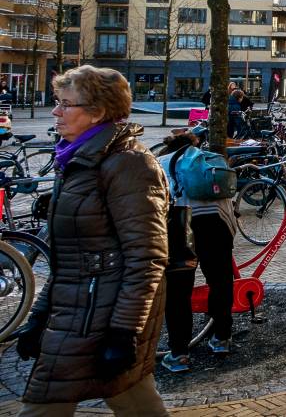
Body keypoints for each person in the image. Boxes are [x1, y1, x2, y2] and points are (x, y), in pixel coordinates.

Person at [10, 65, 169, 416]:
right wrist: (39, 316)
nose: (55, 111)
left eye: (66, 104)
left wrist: (124, 331)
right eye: (57, 102)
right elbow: (69, 257)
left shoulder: (127, 165)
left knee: (47, 404)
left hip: (103, 316)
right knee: (133, 399)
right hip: (80, 310)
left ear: (97, 112)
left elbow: (148, 257)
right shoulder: (77, 160)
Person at [157, 132, 237, 373]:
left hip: (182, 225)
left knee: (179, 292)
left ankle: (179, 354)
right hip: (220, 223)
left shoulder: (161, 163)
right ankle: (221, 338)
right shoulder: (210, 160)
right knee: (221, 281)